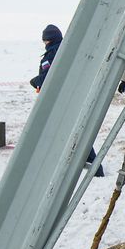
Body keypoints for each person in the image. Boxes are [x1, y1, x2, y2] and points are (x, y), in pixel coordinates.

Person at [30, 23, 104, 176]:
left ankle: (95, 167)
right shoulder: (62, 50)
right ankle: (91, 165)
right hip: (63, 99)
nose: (44, 43)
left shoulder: (54, 53)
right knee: (71, 131)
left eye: (45, 39)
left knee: (72, 131)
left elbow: (53, 76)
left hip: (61, 100)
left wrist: (37, 81)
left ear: (49, 39)